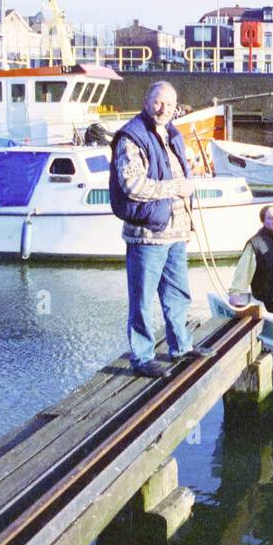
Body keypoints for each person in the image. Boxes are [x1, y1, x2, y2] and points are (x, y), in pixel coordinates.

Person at [109, 81, 201, 380]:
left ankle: (181, 347)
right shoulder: (131, 138)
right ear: (146, 102)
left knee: (178, 295)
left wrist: (188, 223)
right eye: (158, 102)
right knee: (142, 299)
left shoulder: (172, 135)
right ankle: (143, 357)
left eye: (170, 104)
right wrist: (175, 187)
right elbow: (132, 185)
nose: (164, 109)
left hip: (175, 233)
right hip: (147, 235)